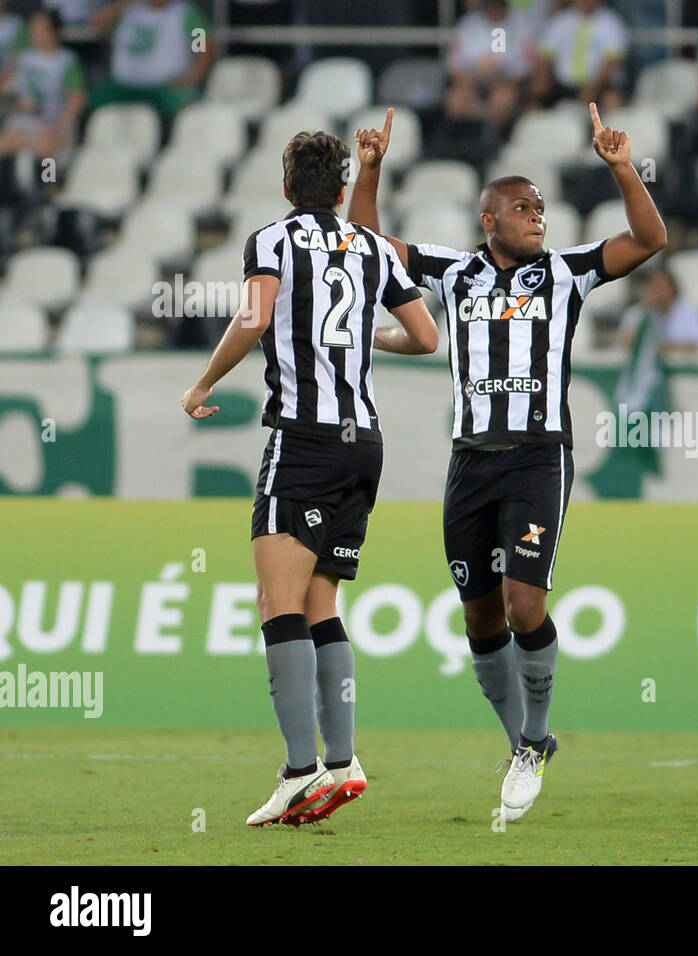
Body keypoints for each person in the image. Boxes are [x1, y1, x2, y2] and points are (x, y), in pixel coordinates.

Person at [348, 104, 665, 822]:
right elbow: (366, 245)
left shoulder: (567, 274)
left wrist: (621, 169)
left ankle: (531, 741)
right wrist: (369, 171)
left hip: (536, 458)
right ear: (488, 219)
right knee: (479, 616)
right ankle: (525, 742)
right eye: (523, 208)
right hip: (469, 462)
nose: (538, 218)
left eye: (543, 209)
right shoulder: (456, 274)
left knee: (526, 605)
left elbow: (650, 238)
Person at [180, 128, 440, 827]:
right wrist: (362, 335)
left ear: (290, 186)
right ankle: (344, 759)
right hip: (363, 446)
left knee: (277, 601)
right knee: (321, 602)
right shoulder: (373, 249)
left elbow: (254, 315)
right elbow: (427, 337)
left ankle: (299, 770)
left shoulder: (273, 240)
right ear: (338, 186)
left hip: (302, 439)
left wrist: (203, 379)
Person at [90, 0, 213, 120]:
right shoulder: (127, 10)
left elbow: (204, 48)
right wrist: (122, 4)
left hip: (164, 86)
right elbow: (97, 24)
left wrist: (192, 77)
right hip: (123, 85)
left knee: (183, 105)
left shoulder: (186, 14)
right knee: (94, 102)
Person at [614, 267, 698, 413]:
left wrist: (669, 347)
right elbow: (626, 344)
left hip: (678, 387)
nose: (659, 291)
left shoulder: (688, 313)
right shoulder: (639, 313)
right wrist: (646, 310)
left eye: (663, 286)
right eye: (655, 286)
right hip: (643, 387)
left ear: (673, 288)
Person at [0, 9, 86, 161]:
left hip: (55, 123)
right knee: (7, 141)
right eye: (32, 27)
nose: (33, 31)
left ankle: (49, 181)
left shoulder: (66, 61)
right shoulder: (24, 57)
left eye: (38, 27)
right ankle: (10, 182)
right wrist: (16, 102)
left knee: (46, 148)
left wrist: (60, 126)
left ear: (52, 31)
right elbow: (4, 88)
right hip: (25, 121)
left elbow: (77, 97)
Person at [444, 0, 534, 129]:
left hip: (505, 84)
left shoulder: (521, 25)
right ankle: (461, 141)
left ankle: (495, 141)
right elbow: (454, 66)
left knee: (501, 99)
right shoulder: (468, 24)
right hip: (471, 82)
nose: (494, 9)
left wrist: (501, 77)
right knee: (456, 101)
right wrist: (472, 79)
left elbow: (527, 69)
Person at [531, 0, 627, 109]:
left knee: (612, 100)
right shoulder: (560, 21)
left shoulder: (612, 23)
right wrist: (542, 83)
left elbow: (611, 63)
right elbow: (547, 57)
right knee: (535, 99)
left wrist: (593, 88)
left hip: (601, 85)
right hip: (563, 85)